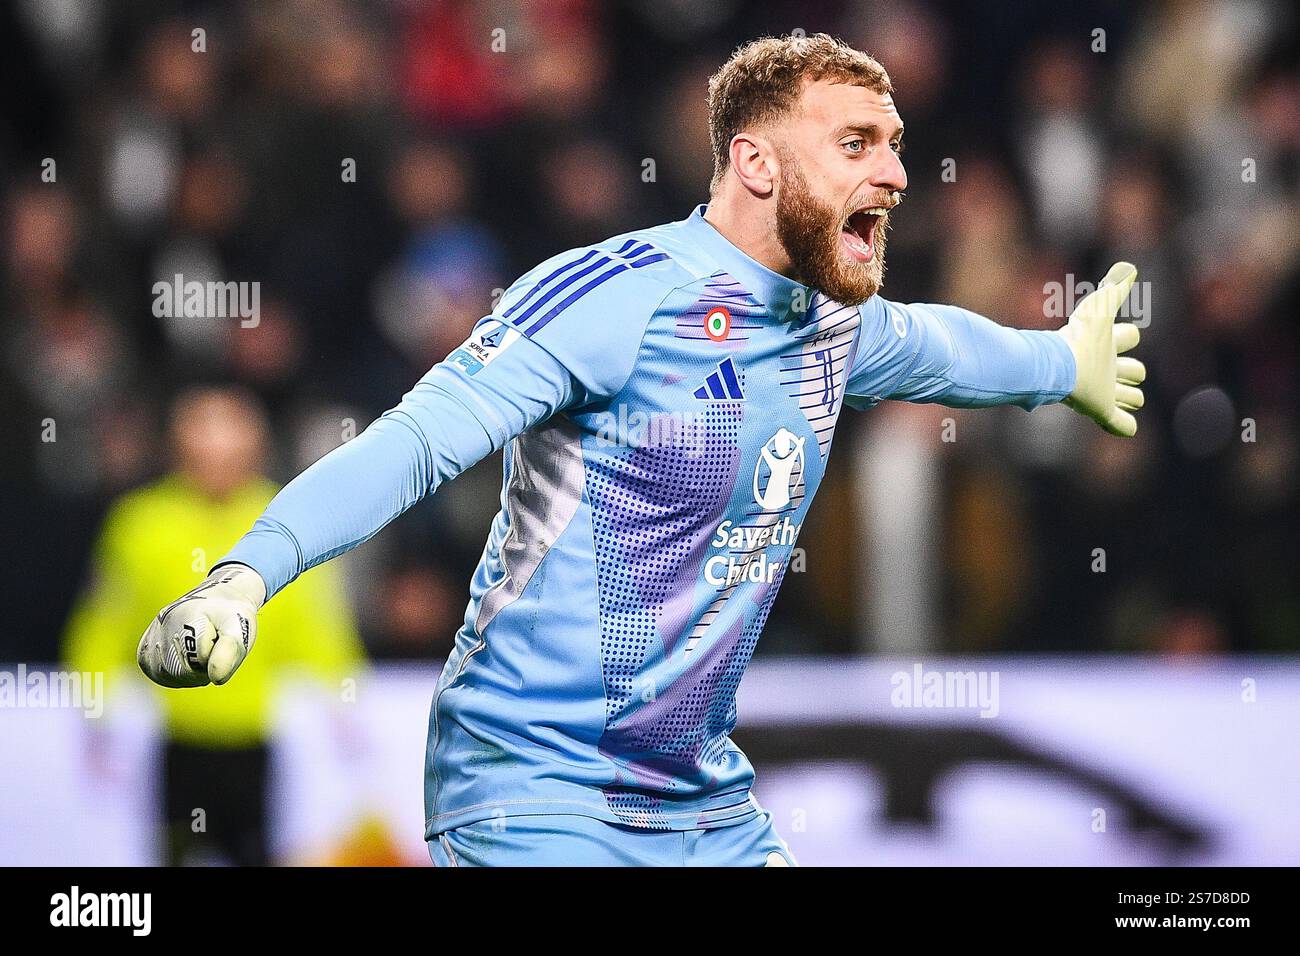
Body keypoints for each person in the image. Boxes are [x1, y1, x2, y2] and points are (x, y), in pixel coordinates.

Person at [134, 34, 1144, 866]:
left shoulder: (834, 324)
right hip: (533, 787)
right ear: (756, 162)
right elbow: (409, 445)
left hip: (702, 801)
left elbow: (945, 345)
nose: (892, 171)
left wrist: (1063, 362)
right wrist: (241, 578)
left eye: (891, 144)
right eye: (854, 143)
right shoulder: (614, 295)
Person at [66, 386, 362, 865]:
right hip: (176, 739)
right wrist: (96, 711)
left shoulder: (283, 516)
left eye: (230, 441)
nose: (216, 456)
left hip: (255, 739)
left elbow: (318, 623)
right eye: (202, 440)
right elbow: (105, 622)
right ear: (179, 446)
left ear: (255, 446)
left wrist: (343, 696)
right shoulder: (141, 522)